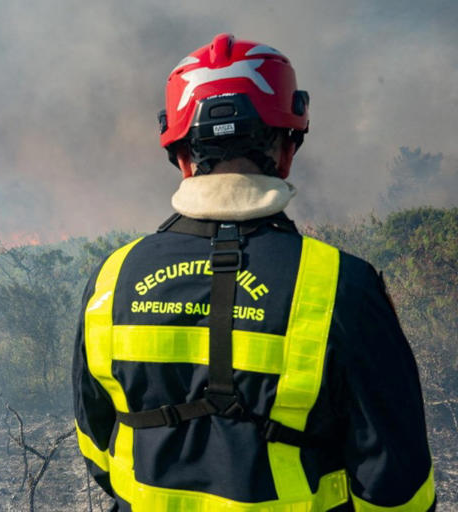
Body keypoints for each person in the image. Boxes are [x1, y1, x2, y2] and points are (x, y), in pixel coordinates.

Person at [72, 33, 435, 511]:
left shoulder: (111, 280)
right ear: (287, 150)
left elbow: (98, 446)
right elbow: (398, 487)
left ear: (182, 157)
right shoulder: (343, 286)